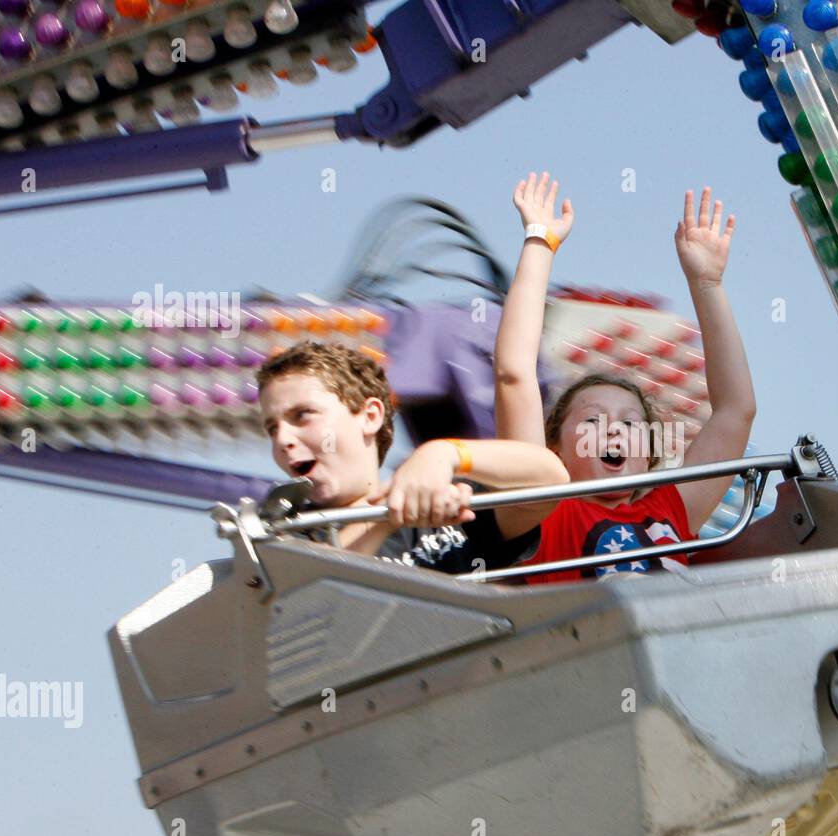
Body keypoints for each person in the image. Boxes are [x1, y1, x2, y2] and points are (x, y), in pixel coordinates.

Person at [493, 172, 757, 583]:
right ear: (556, 450)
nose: (613, 430)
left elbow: (735, 410)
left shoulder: (672, 508)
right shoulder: (541, 507)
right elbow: (515, 375)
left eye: (631, 424)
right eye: (593, 421)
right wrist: (540, 242)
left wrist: (707, 283)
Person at [256, 339, 567, 574]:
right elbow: (307, 591)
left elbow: (549, 478)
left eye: (303, 415)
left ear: (370, 416)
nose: (282, 439)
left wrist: (444, 454)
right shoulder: (282, 529)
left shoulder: (446, 499)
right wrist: (390, 516)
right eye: (272, 428)